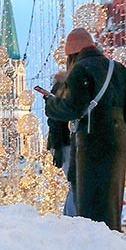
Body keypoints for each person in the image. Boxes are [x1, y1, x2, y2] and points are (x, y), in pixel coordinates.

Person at [43, 29, 126, 230]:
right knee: (111, 196)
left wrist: (51, 104)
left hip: (92, 143)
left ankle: (96, 249)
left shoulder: (81, 70)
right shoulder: (116, 68)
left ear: (72, 54)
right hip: (118, 140)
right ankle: (112, 241)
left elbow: (73, 108)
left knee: (90, 201)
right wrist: (118, 120)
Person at [45, 70, 78, 217]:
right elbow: (56, 124)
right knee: (75, 182)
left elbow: (53, 122)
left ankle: (70, 215)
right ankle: (72, 215)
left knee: (74, 182)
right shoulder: (67, 92)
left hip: (64, 143)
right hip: (67, 143)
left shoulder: (58, 96)